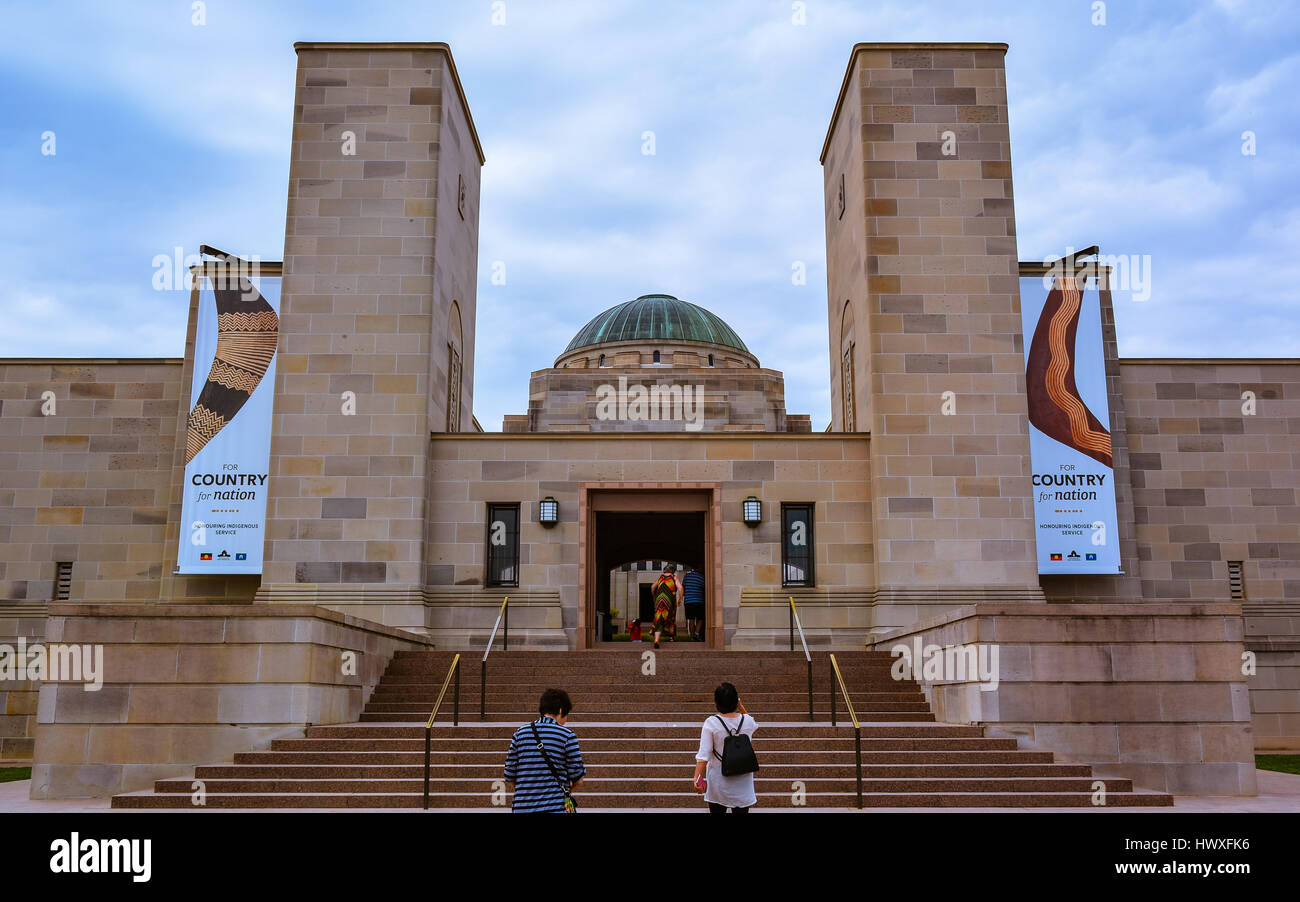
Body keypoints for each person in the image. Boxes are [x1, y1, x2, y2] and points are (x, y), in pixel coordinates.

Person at [503, 688, 586, 813]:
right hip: (556, 808)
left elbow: (509, 775)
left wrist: (528, 793)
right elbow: (578, 779)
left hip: (522, 808)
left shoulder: (520, 734)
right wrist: (565, 792)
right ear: (561, 710)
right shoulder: (567, 735)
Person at [692, 681, 757, 814]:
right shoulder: (748, 721)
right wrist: (741, 706)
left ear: (717, 702)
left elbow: (703, 755)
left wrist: (697, 778)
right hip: (743, 782)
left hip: (718, 782)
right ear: (736, 700)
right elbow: (751, 721)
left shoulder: (711, 723)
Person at [650, 564, 682, 648]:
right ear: (673, 571)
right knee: (670, 617)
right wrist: (681, 598)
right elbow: (680, 587)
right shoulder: (673, 577)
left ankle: (656, 640)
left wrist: (654, 596)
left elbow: (652, 587)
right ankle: (671, 637)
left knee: (659, 617)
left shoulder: (660, 578)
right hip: (669, 600)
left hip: (659, 599)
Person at [682, 566, 705, 641]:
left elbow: (683, 587)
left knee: (691, 619)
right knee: (700, 618)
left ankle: (692, 637)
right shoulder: (702, 577)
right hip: (698, 600)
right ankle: (697, 634)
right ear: (699, 568)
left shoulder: (687, 576)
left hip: (688, 601)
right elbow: (704, 587)